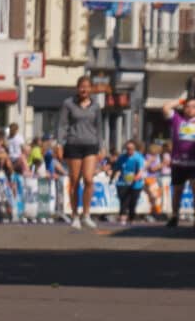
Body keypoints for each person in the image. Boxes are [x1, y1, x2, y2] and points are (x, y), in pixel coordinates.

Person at [57, 77, 104, 228]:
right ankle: (75, 215)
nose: (84, 90)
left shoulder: (96, 106)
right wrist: (59, 144)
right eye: (81, 87)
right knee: (75, 181)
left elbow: (99, 128)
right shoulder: (68, 104)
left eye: (87, 87)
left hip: (91, 145)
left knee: (89, 179)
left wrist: (102, 146)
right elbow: (62, 125)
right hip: (73, 144)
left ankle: (86, 214)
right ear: (77, 88)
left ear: (91, 89)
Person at [168, 95, 195, 228]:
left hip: (193, 163)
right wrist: (181, 100)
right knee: (177, 191)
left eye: (193, 107)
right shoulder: (177, 119)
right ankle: (174, 216)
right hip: (178, 163)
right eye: (188, 106)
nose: (190, 109)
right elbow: (165, 107)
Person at [112, 139, 145, 225]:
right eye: (127, 148)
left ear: (134, 149)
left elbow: (141, 170)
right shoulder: (122, 157)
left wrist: (136, 177)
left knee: (133, 202)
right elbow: (116, 168)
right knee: (124, 200)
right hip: (123, 183)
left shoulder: (138, 157)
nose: (129, 150)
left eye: (131, 149)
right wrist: (111, 176)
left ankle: (132, 217)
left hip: (136, 183)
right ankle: (122, 216)